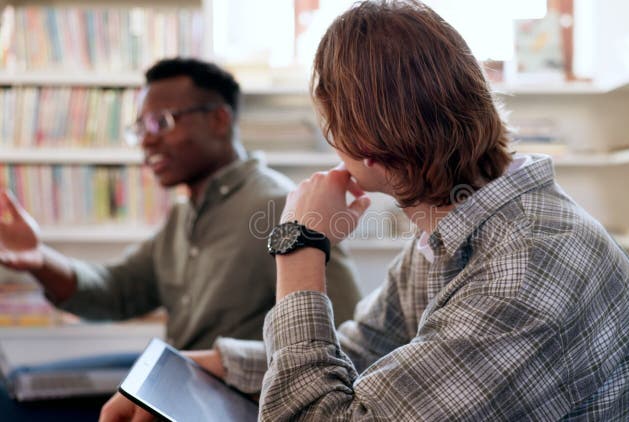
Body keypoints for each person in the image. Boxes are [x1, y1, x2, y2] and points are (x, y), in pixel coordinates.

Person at [101, 2, 629, 421]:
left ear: (367, 152)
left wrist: (299, 244)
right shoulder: (460, 223)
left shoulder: (523, 272)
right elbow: (360, 351)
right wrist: (204, 367)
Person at [0, 57, 361, 351]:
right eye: (141, 128)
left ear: (220, 119)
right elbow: (118, 291)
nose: (147, 141)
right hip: (183, 392)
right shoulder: (183, 216)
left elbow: (342, 343)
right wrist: (39, 258)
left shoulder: (281, 209)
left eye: (162, 122)